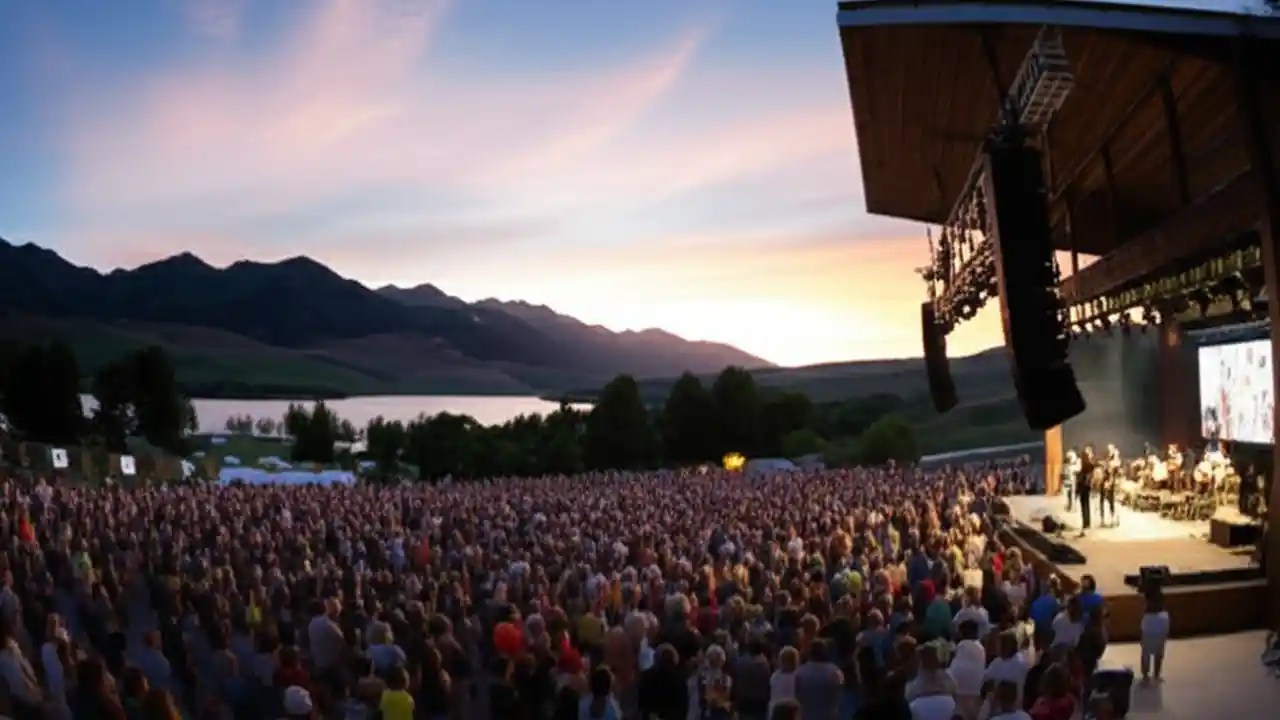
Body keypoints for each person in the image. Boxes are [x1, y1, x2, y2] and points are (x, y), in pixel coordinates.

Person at [1139, 590, 1169, 683]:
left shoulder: (1148, 613)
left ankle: (1146, 674)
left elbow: (1143, 628)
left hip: (1150, 625)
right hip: (1159, 624)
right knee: (1158, 653)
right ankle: (1155, 674)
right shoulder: (1163, 615)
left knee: (1147, 653)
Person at [1078, 446, 1096, 534]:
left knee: (1084, 504)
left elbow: (1086, 474)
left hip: (1084, 485)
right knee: (1086, 504)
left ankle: (1085, 523)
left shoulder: (1086, 463)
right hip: (1086, 485)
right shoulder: (1090, 463)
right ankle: (1086, 523)